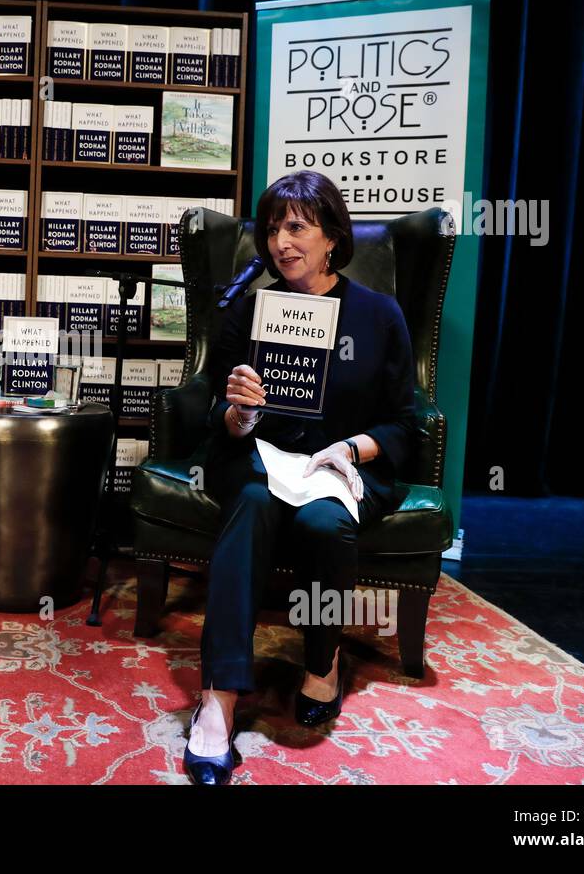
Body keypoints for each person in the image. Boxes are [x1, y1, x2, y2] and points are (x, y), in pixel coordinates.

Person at [183, 170, 417, 784]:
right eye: (271, 230)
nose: (281, 243)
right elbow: (213, 410)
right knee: (254, 502)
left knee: (322, 521)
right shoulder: (248, 309)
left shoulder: (377, 314)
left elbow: (405, 422)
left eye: (297, 227)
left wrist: (353, 447)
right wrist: (237, 413)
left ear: (333, 237)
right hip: (262, 460)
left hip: (339, 468)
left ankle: (323, 660)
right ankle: (219, 698)